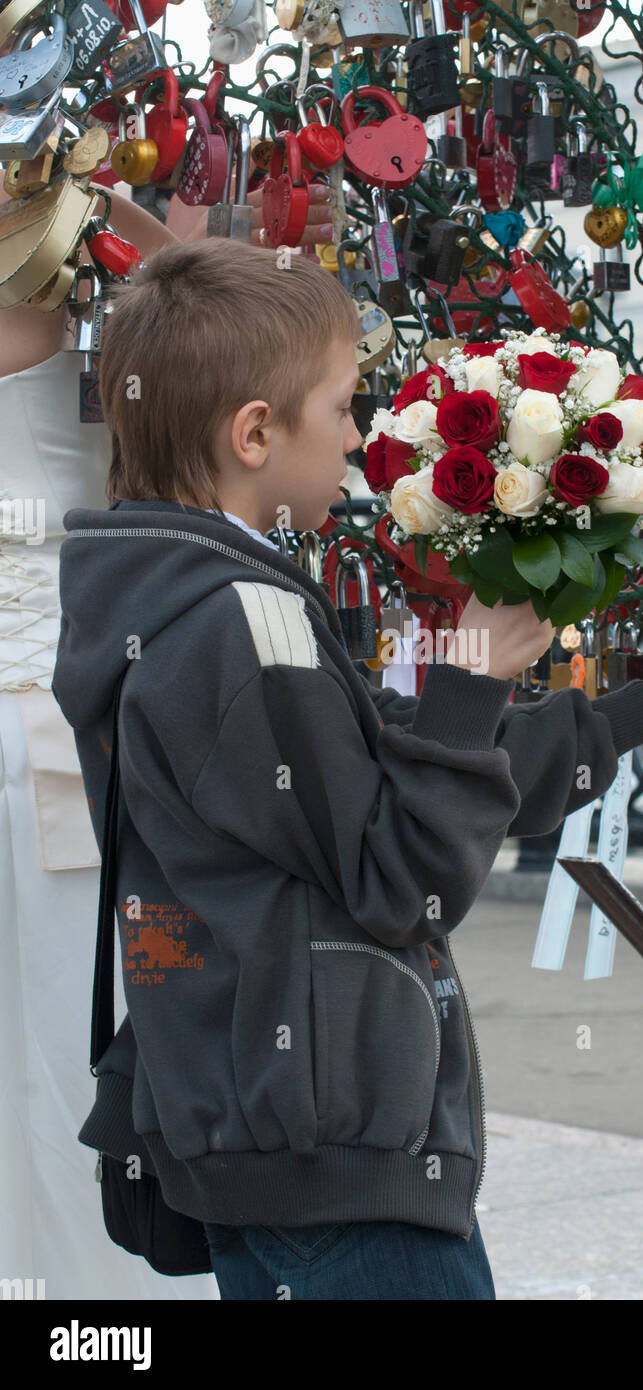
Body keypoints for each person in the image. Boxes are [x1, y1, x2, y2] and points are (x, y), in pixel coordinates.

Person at [51, 239, 643, 1301]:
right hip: (333, 1167)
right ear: (255, 431)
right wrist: (473, 675)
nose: (357, 437)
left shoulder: (183, 594)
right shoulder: (237, 621)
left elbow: (400, 777)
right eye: (341, 408)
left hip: (280, 1147)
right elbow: (407, 873)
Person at [0, 172, 332, 1299]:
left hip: (71, 717)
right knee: (69, 1031)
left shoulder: (73, 235)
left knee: (64, 1026)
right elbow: (217, 304)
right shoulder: (80, 252)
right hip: (76, 711)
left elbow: (212, 304)